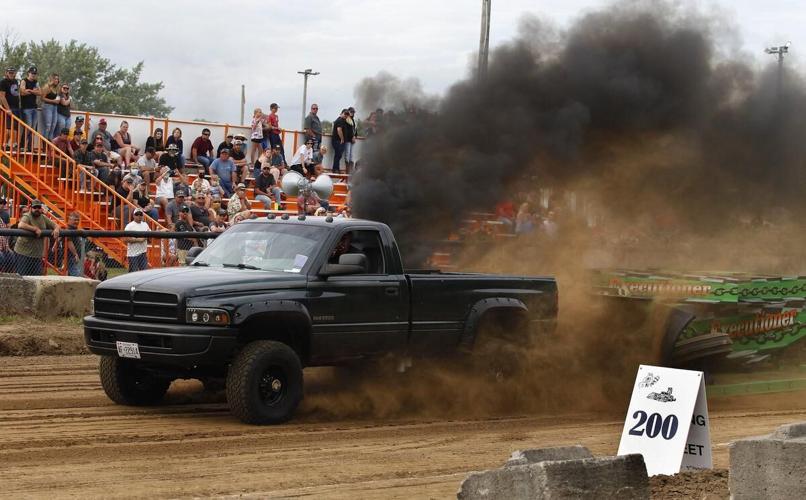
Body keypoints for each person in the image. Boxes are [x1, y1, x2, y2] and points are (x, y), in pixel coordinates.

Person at [14, 200, 59, 276]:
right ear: (31, 208)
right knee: (23, 278)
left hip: (37, 254)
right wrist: (35, 229)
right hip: (23, 253)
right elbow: (21, 224)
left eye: (38, 207)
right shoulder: (27, 216)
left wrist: (56, 229)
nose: (37, 209)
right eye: (35, 207)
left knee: (36, 278)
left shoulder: (43, 217)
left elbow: (56, 225)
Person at [19, 67, 41, 150]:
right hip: (26, 108)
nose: (33, 75)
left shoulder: (36, 82)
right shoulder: (24, 81)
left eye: (35, 73)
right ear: (28, 73)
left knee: (33, 128)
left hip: (34, 108)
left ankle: (30, 147)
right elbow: (22, 92)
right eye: (32, 73)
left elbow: (40, 92)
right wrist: (33, 91)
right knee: (28, 127)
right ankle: (22, 146)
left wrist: (30, 91)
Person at [55, 212, 83, 277]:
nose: (76, 221)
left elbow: (59, 239)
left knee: (70, 274)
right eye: (75, 220)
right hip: (70, 256)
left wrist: (54, 246)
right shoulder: (68, 229)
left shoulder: (74, 229)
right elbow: (69, 243)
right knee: (76, 275)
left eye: (78, 220)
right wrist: (75, 254)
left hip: (73, 257)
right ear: (69, 220)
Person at [1, 67, 21, 148]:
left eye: (13, 73)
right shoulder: (3, 82)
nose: (11, 74)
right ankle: (5, 144)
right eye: (10, 72)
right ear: (6, 73)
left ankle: (14, 143)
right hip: (9, 107)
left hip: (16, 107)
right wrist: (8, 109)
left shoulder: (15, 81)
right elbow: (2, 96)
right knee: (8, 127)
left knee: (15, 127)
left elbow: (16, 93)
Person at [40, 73, 61, 139]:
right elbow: (42, 98)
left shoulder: (57, 88)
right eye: (55, 79)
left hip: (55, 107)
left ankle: (49, 142)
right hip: (47, 106)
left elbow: (58, 97)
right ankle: (44, 143)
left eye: (57, 79)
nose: (56, 80)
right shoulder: (47, 87)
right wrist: (53, 101)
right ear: (51, 79)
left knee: (53, 125)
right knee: (48, 125)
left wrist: (58, 100)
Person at [331, 109, 349, 174]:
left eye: (347, 114)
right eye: (345, 114)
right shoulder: (340, 120)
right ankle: (336, 169)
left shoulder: (342, 120)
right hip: (338, 141)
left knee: (338, 155)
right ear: (341, 113)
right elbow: (339, 130)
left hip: (337, 141)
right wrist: (342, 139)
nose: (346, 115)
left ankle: (335, 169)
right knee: (338, 155)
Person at [345, 107, 358, 173]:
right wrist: (352, 137)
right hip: (348, 139)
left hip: (352, 140)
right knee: (347, 154)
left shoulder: (353, 120)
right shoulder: (347, 119)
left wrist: (355, 136)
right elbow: (347, 131)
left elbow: (355, 130)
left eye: (353, 112)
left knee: (351, 155)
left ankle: (350, 170)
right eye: (351, 112)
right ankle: (347, 170)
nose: (352, 113)